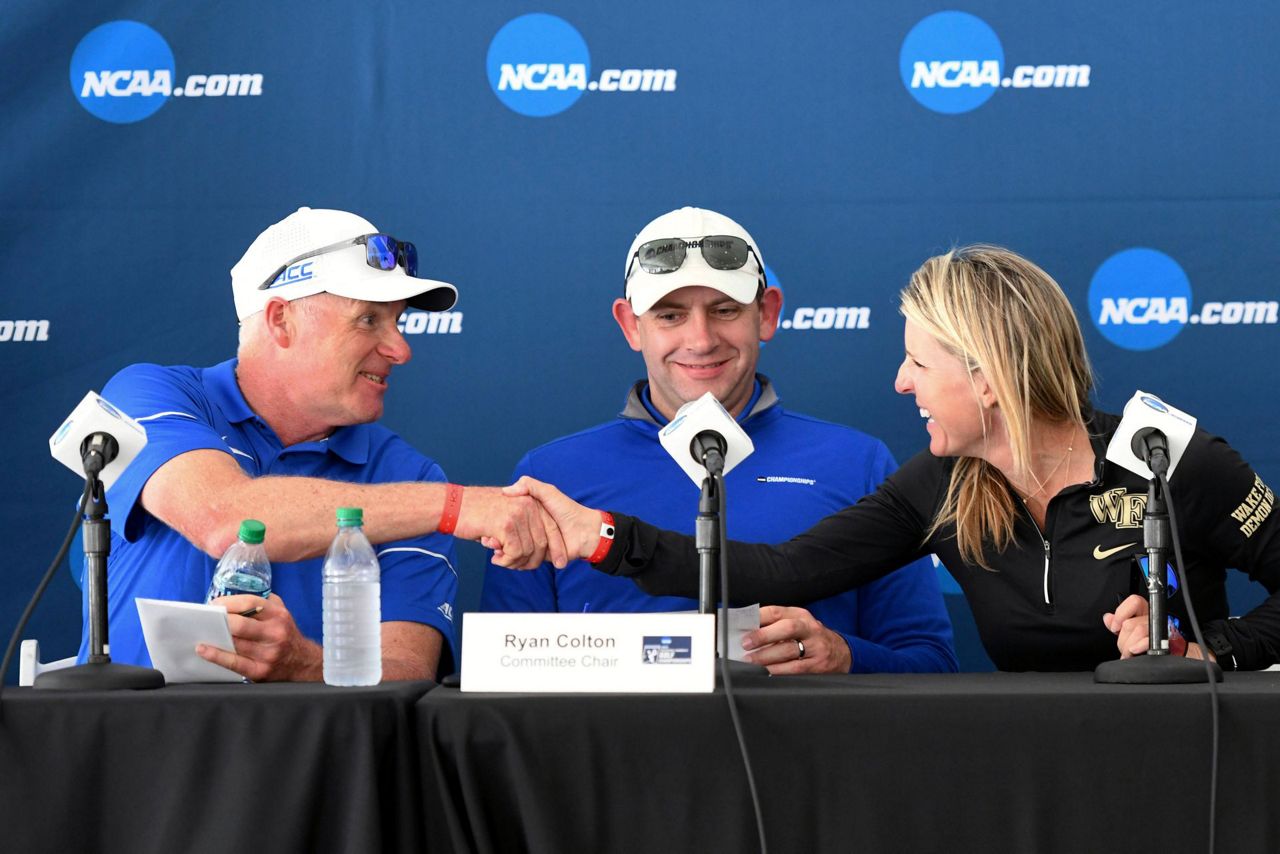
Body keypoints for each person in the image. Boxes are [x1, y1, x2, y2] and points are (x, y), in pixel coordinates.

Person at [500, 245, 1280, 672]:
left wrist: (1207, 649)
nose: (901, 381)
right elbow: (779, 572)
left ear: (985, 374)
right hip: (1037, 780)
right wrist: (600, 536)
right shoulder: (938, 485)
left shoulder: (1170, 459)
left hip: (1191, 774)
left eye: (918, 362)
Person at [88, 206, 566, 682]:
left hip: (314, 754)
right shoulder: (147, 394)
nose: (401, 349)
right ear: (281, 320)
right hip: (136, 746)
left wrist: (306, 664)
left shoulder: (412, 479)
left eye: (397, 321)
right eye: (368, 321)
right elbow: (222, 517)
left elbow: (408, 674)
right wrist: (460, 507)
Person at [481, 207, 956, 674]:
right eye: (670, 316)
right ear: (630, 325)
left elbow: (932, 665)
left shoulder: (859, 463)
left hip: (806, 749)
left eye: (724, 310)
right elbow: (498, 675)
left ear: (767, 314)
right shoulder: (551, 476)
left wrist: (846, 657)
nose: (701, 339)